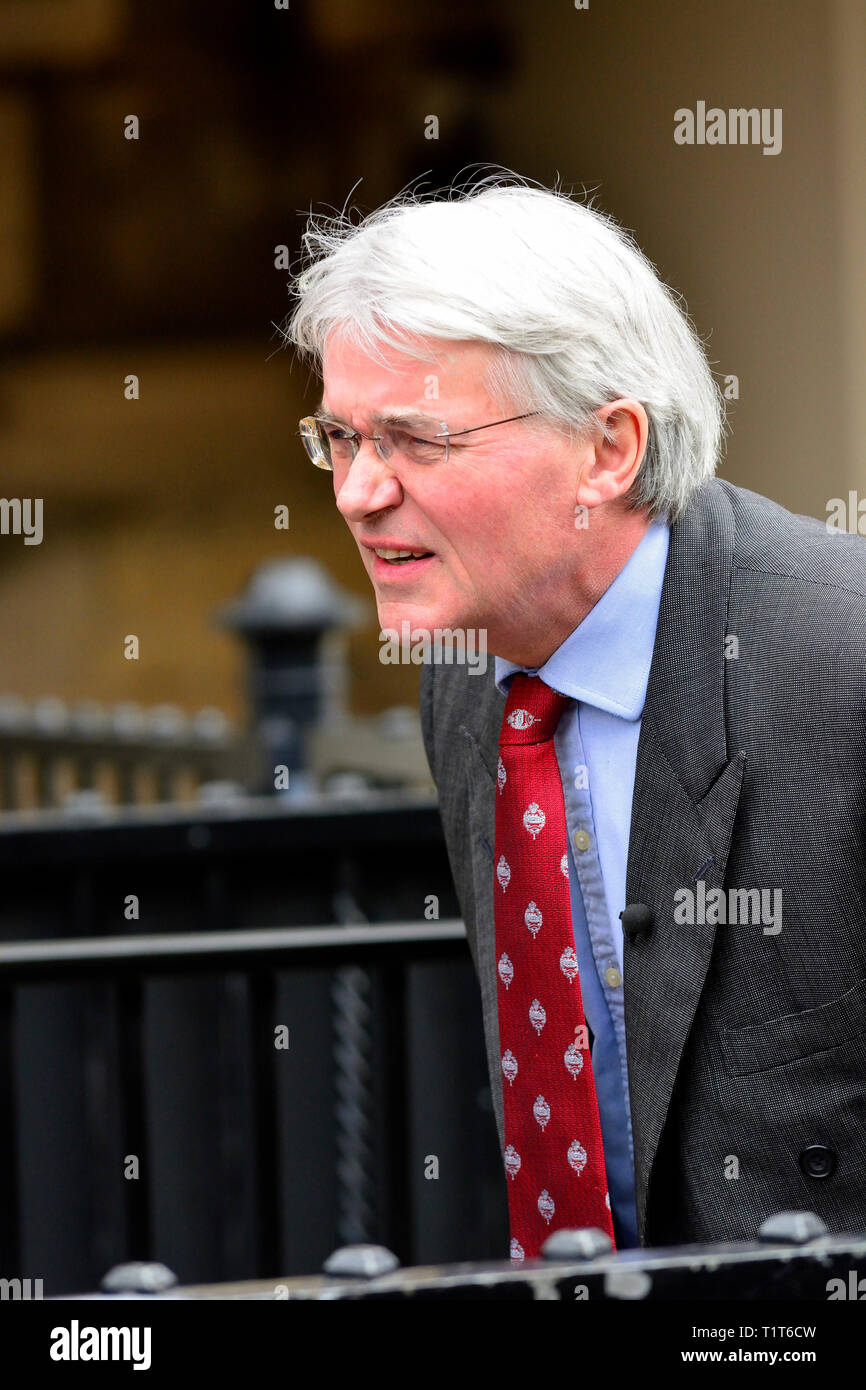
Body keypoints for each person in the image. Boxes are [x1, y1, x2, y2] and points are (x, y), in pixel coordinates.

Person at [285, 174, 866, 1257]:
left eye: (415, 440)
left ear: (607, 449)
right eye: (340, 438)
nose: (359, 492)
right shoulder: (467, 674)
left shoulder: (838, 665)